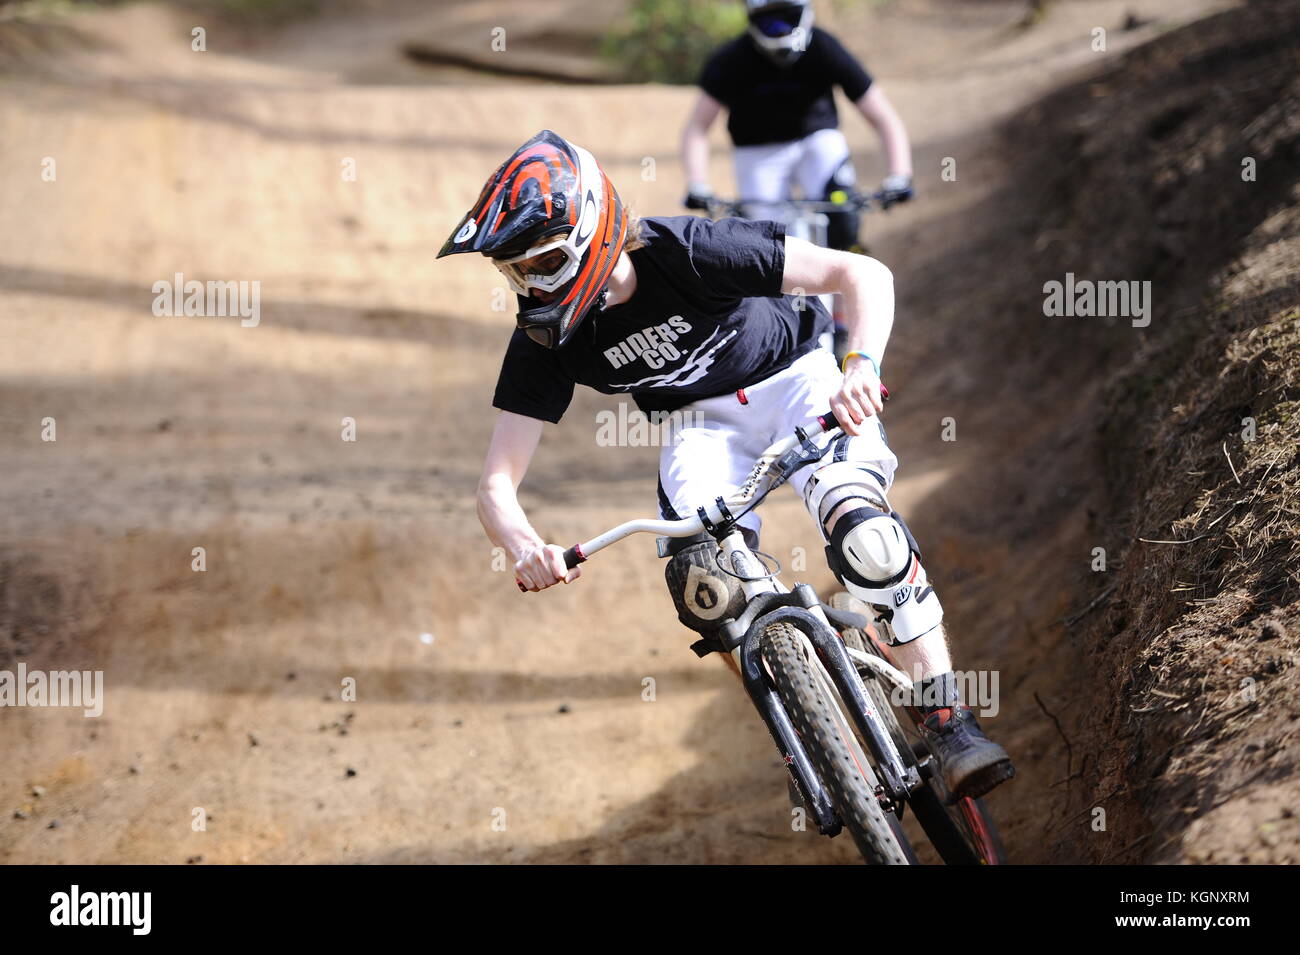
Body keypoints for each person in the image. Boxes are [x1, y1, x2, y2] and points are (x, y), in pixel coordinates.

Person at [439, 129, 1013, 800]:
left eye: (539, 263)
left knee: (868, 541)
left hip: (797, 379)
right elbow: (495, 485)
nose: (529, 286)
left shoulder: (688, 251)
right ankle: (810, 734)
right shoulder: (545, 340)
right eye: (516, 272)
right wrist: (523, 545)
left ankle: (948, 718)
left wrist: (861, 367)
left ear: (591, 233)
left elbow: (861, 274)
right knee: (705, 587)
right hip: (701, 425)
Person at [681, 0, 914, 356]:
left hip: (815, 143)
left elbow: (882, 114)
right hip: (757, 152)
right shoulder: (731, 59)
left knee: (842, 213)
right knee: (763, 242)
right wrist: (698, 185)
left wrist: (900, 174)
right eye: (768, 20)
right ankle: (778, 327)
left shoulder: (823, 46)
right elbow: (698, 126)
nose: (777, 28)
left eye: (785, 18)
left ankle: (841, 321)